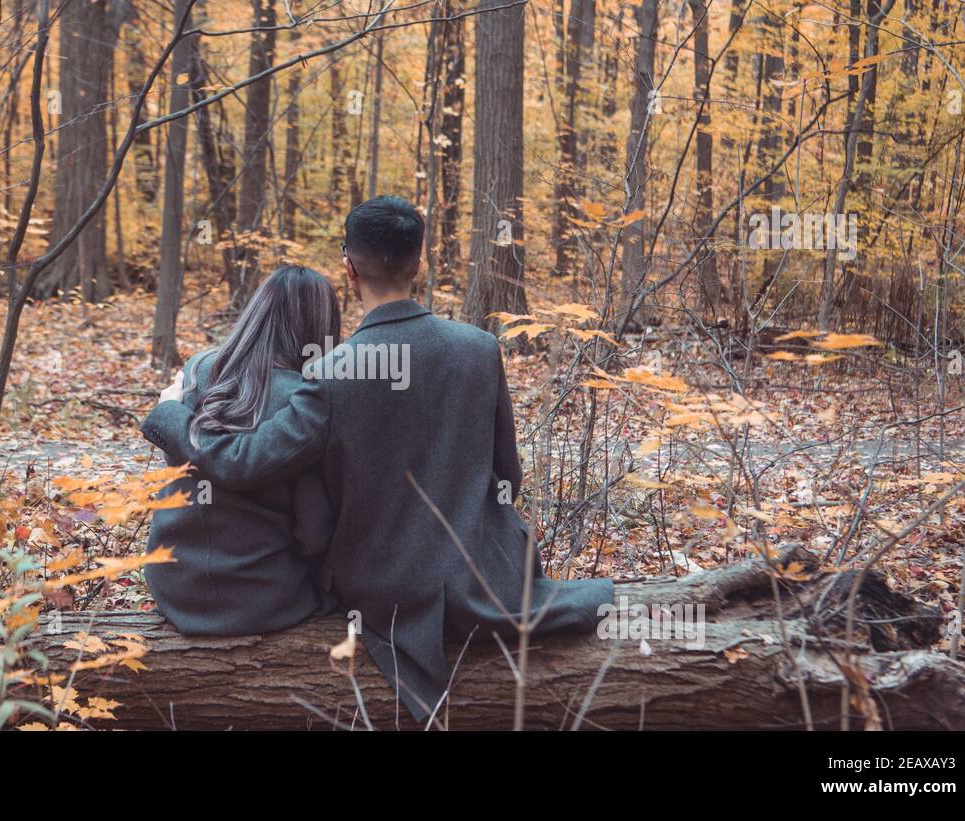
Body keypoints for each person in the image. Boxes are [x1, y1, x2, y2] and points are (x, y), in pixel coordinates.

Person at [142, 196, 614, 723]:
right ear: (420, 262)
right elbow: (508, 474)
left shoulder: (328, 374)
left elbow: (246, 463)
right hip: (485, 573)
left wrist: (171, 415)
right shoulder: (479, 348)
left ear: (348, 268)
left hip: (383, 586)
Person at [142, 265, 341, 636]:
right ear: (321, 328)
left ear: (257, 313)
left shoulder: (198, 369)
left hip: (174, 586)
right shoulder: (306, 400)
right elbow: (313, 531)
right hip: (260, 598)